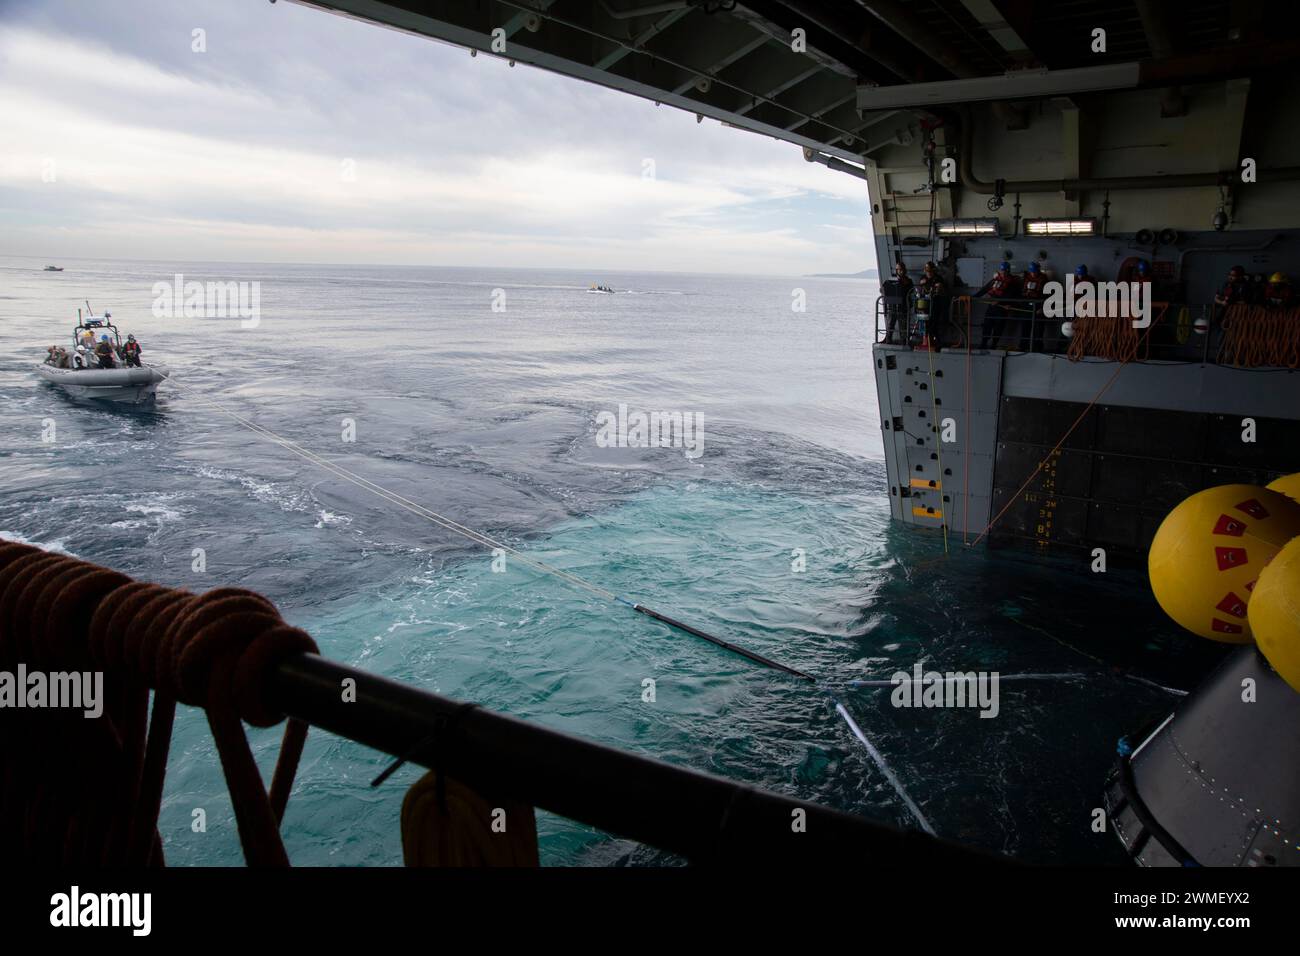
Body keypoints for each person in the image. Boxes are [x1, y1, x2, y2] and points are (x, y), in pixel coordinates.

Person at [976, 261, 1020, 349]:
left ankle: (994, 345)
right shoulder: (996, 279)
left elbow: (1010, 295)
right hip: (992, 307)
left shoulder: (1012, 282)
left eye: (1005, 271)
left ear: (1008, 271)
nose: (1003, 272)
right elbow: (985, 289)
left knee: (998, 327)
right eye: (1002, 270)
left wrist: (999, 301)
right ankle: (983, 343)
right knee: (987, 325)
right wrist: (973, 297)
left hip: (1002, 308)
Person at [915, 261, 947, 348]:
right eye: (927, 270)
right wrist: (922, 284)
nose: (928, 272)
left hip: (936, 304)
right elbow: (919, 288)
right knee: (925, 323)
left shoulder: (938, 279)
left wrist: (938, 287)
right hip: (925, 305)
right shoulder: (923, 278)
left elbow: (941, 288)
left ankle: (935, 341)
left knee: (935, 324)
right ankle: (926, 340)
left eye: (930, 271)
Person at [881, 262, 914, 345]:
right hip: (893, 306)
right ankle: (888, 339)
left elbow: (910, 289)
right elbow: (884, 288)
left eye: (901, 269)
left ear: (904, 270)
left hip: (903, 306)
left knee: (903, 326)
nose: (900, 271)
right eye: (898, 270)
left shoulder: (908, 281)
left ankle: (904, 341)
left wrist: (902, 282)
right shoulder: (891, 280)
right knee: (890, 324)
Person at [1017, 261, 1048, 351]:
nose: (1033, 274)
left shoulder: (1044, 279)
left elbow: (1047, 295)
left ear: (1038, 270)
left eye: (1035, 272)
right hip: (1027, 307)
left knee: (1038, 330)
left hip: (1038, 308)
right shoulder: (1026, 278)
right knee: (1025, 328)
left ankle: (1037, 348)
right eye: (1032, 272)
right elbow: (1022, 293)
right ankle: (1023, 347)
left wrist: (1042, 307)